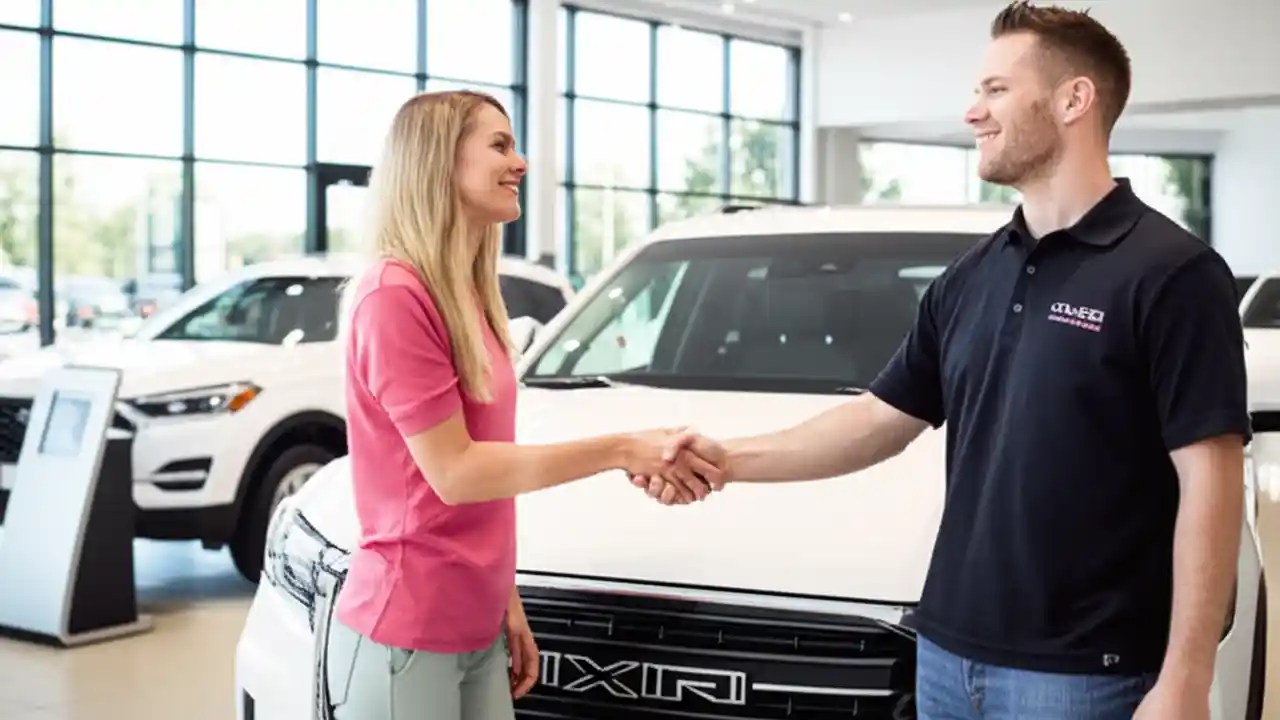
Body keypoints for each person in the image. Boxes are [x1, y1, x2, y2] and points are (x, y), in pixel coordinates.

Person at [636, 3, 1251, 719]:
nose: (973, 113)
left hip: (1084, 674)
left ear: (1073, 99)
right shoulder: (973, 276)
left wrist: (1185, 678)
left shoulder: (1172, 274)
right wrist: (726, 459)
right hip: (947, 659)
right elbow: (876, 420)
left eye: (995, 90)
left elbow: (1211, 484)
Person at [324, 90, 723, 720]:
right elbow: (456, 474)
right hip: (407, 626)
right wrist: (620, 449)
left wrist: (501, 597)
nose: (522, 162)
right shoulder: (393, 296)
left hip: (473, 619)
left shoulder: (467, 295)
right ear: (438, 162)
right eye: (500, 145)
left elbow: (482, 478)